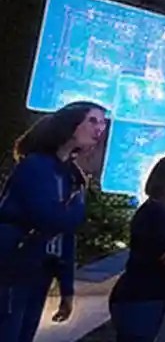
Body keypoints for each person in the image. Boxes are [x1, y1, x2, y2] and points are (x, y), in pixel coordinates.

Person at [0, 101, 107, 342]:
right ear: (69, 124)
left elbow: (65, 236)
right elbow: (52, 218)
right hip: (13, 266)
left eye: (102, 122)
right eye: (92, 120)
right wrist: (77, 203)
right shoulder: (36, 166)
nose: (99, 128)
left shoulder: (69, 173)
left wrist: (66, 288)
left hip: (39, 271)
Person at [109, 154, 165, 342]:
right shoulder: (156, 212)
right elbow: (164, 258)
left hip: (144, 296)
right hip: (141, 296)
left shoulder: (163, 209)